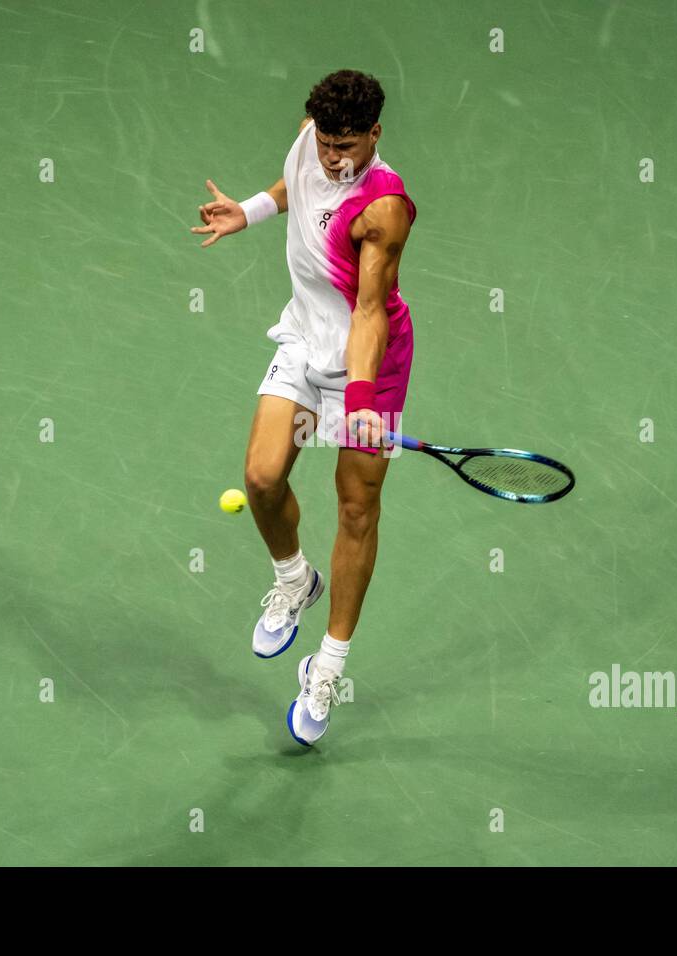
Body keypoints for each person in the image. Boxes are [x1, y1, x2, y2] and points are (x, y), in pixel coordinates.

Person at [191, 69, 417, 746]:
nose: (332, 158)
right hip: (302, 342)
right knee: (262, 478)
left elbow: (373, 311)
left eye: (347, 146)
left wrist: (360, 401)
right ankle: (295, 579)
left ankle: (328, 667)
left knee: (356, 507)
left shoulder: (385, 209)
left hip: (367, 369)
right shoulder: (309, 143)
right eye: (325, 142)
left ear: (375, 134)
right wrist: (253, 210)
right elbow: (300, 183)